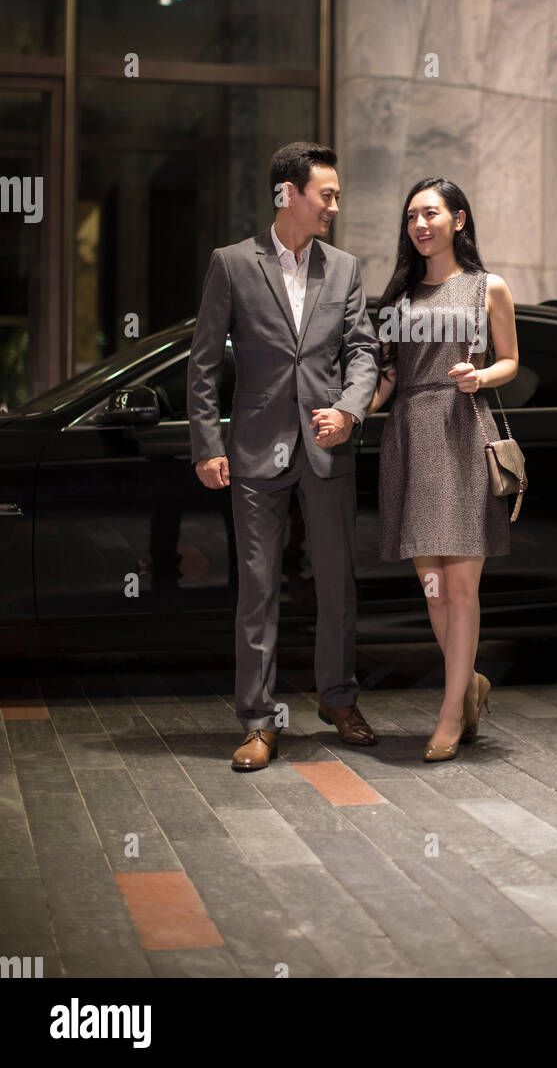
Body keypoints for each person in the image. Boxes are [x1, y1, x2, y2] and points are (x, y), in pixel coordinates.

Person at [187, 142, 380, 772]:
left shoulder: (345, 269)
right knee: (259, 588)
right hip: (252, 451)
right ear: (287, 194)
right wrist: (207, 445)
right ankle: (258, 721)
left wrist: (349, 410)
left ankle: (339, 699)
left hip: (327, 447)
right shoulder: (232, 264)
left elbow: (363, 353)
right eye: (325, 194)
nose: (334, 206)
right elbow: (204, 364)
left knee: (336, 586)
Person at [368, 178, 519, 761]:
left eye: (430, 213)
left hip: (461, 430)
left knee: (461, 587)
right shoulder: (399, 299)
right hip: (410, 435)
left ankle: (450, 710)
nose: (419, 225)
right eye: (410, 217)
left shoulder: (488, 288)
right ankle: (472, 683)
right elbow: (387, 376)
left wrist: (481, 376)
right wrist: (353, 414)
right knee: (432, 591)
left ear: (458, 219)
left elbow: (510, 360)